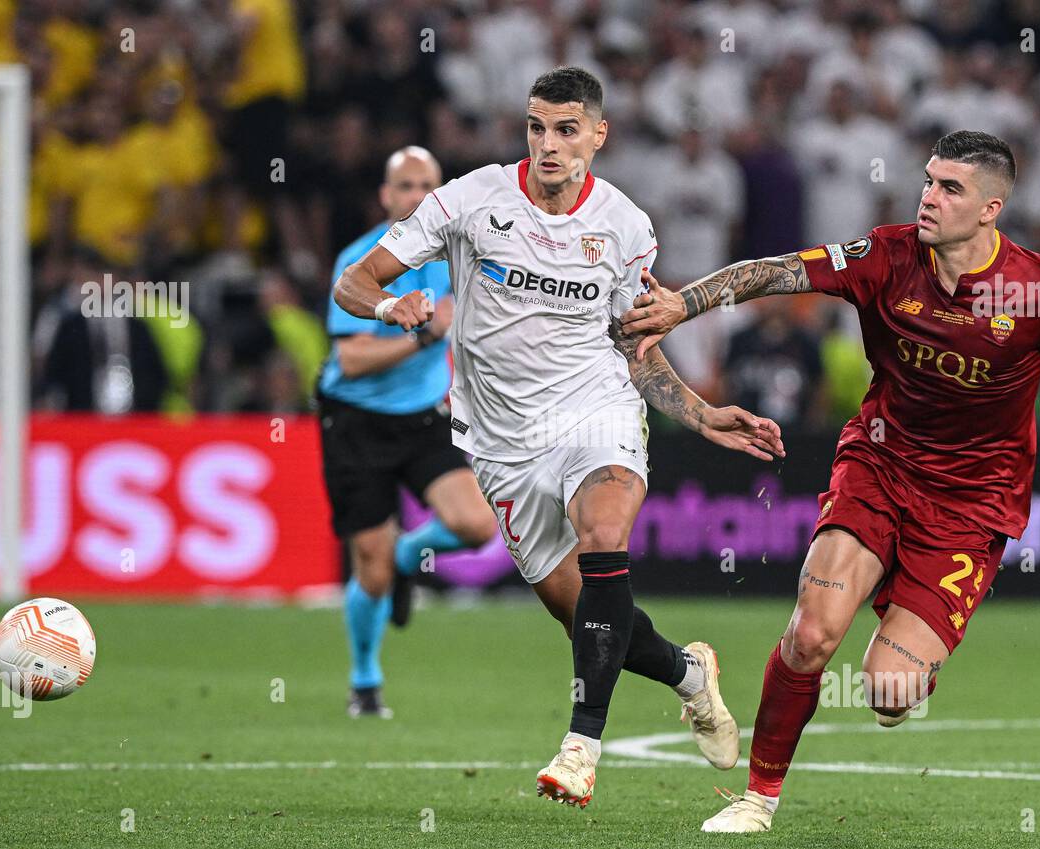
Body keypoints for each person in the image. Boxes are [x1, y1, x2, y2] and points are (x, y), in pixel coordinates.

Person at [621, 130, 1040, 832]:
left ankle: (909, 659)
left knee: (888, 690)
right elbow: (774, 271)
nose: (929, 197)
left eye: (950, 188)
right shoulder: (886, 255)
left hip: (972, 505)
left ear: (990, 209)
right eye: (929, 181)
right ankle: (758, 800)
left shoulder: (1039, 289)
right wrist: (682, 306)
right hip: (879, 467)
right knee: (812, 634)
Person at [333, 67, 784, 808]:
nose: (548, 144)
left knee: (604, 532)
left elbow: (635, 347)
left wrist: (701, 414)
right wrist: (389, 307)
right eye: (537, 127)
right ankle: (688, 673)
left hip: (594, 410)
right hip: (502, 441)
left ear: (598, 136)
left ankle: (581, 748)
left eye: (566, 129)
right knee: (591, 617)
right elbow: (355, 280)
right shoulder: (470, 201)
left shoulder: (625, 226)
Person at [317, 146, 497, 720]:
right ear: (385, 196)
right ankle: (365, 681)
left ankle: (404, 555)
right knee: (367, 570)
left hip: (422, 416)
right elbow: (351, 361)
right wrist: (423, 335)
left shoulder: (459, 255)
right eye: (405, 186)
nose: (417, 197)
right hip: (355, 421)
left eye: (427, 186)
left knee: (477, 524)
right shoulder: (360, 261)